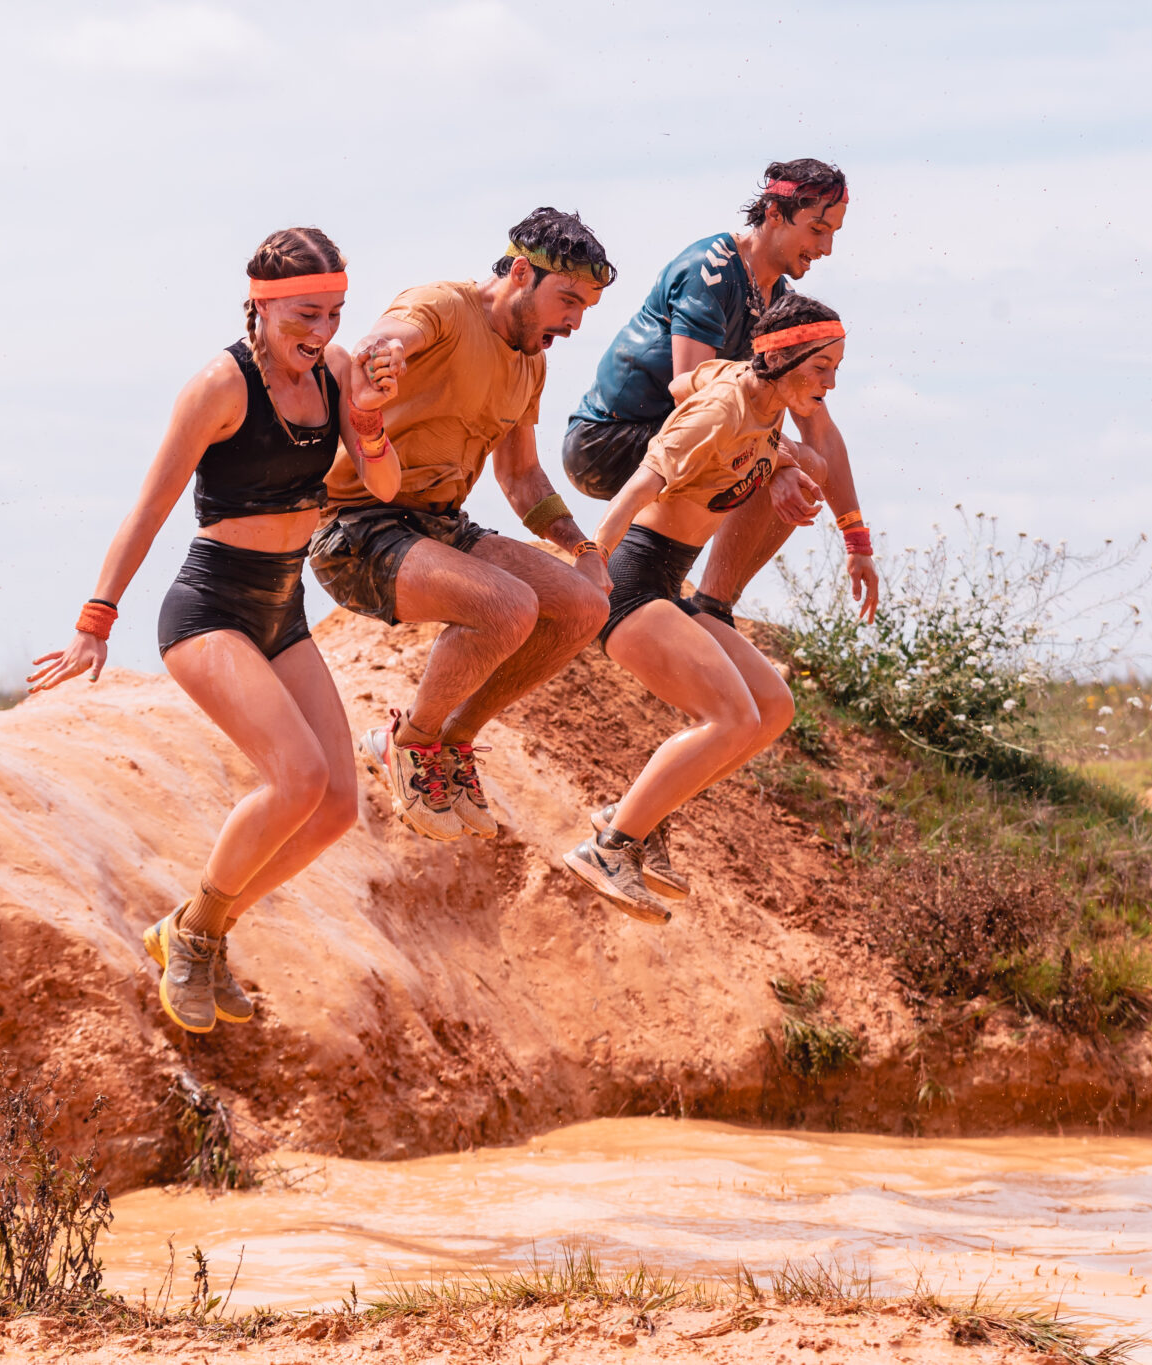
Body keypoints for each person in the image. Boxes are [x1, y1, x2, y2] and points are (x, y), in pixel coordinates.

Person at [27, 228, 404, 1035]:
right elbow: (151, 504)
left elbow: (385, 480)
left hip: (283, 607)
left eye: (336, 313)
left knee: (337, 804)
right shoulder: (219, 386)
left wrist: (370, 418)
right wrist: (96, 619)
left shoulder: (337, 375)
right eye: (307, 315)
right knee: (297, 777)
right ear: (262, 307)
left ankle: (200, 927)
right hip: (209, 611)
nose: (325, 333)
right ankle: (197, 936)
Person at [310, 208, 615, 842]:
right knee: (509, 607)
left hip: (437, 525)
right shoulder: (443, 307)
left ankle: (451, 745)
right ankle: (408, 745)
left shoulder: (531, 361)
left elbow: (523, 478)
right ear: (522, 274)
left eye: (585, 308)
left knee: (584, 607)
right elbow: (391, 335)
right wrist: (385, 352)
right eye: (568, 300)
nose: (576, 321)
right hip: (356, 528)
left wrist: (582, 547)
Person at [562, 295, 849, 921]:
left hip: (667, 582)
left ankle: (640, 814)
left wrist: (778, 468)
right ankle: (608, 849)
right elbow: (642, 482)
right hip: (630, 582)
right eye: (821, 368)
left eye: (836, 369)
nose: (830, 384)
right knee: (730, 719)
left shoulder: (757, 393)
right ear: (779, 356)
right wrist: (591, 562)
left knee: (772, 708)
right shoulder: (721, 411)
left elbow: (690, 377)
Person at [564, 159, 879, 628]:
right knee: (781, 458)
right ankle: (687, 598)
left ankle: (712, 606)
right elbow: (688, 394)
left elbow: (819, 425)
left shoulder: (782, 302)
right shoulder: (711, 268)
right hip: (607, 440)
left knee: (806, 462)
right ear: (774, 213)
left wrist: (856, 539)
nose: (826, 248)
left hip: (681, 436)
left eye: (833, 233)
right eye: (817, 228)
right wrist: (776, 465)